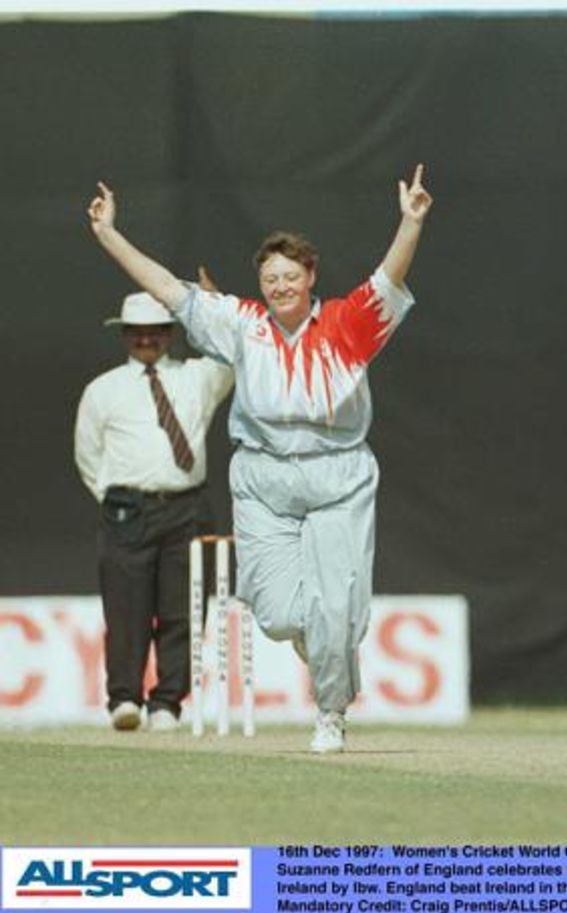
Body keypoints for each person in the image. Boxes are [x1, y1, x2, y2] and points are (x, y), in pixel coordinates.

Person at [86, 166, 432, 753]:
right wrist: (109, 235)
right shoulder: (241, 324)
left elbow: (388, 277)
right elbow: (167, 287)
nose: (280, 286)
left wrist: (411, 223)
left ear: (310, 276)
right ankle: (318, 643)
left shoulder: (348, 323)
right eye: (270, 278)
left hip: (338, 474)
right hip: (263, 476)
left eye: (290, 276)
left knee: (335, 606)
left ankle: (330, 713)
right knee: (275, 615)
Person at [75, 291, 233, 732]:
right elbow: (88, 454)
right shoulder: (104, 389)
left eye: (155, 331)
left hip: (188, 504)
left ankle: (167, 702)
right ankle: (124, 698)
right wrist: (116, 497)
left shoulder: (197, 377)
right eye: (137, 332)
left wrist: (214, 309)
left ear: (170, 333)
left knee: (185, 608)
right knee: (126, 609)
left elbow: (231, 355)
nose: (146, 340)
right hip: (128, 508)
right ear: (125, 335)